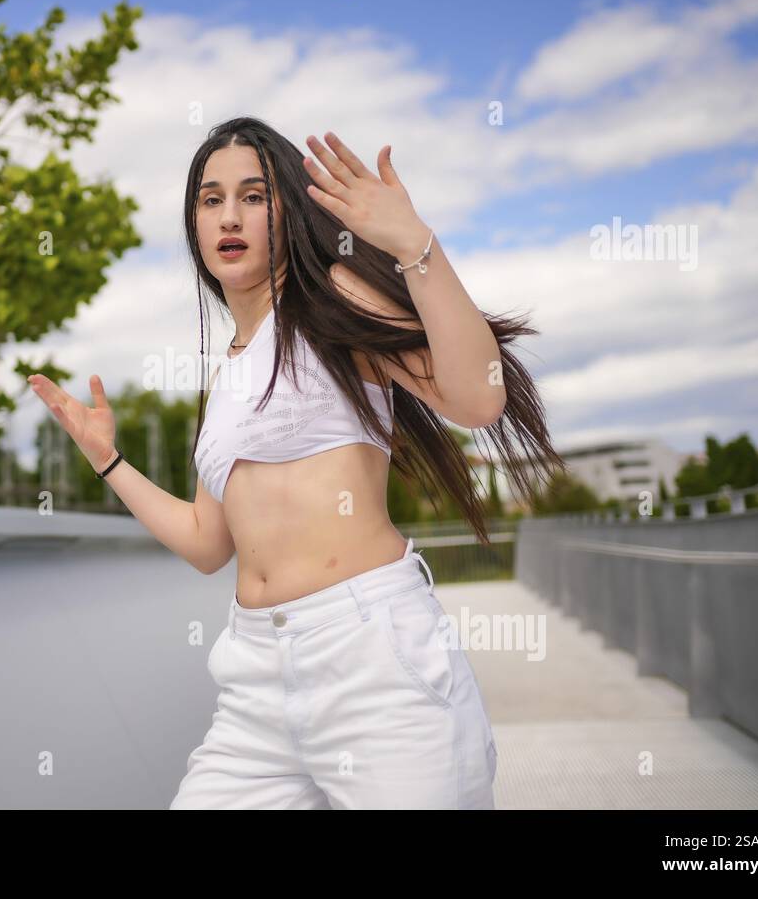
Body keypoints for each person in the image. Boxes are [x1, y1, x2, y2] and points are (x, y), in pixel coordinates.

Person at [28, 116, 565, 808]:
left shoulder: (333, 301)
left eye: (254, 196)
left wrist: (414, 244)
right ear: (194, 223)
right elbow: (207, 543)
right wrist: (108, 462)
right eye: (210, 198)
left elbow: (478, 398)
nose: (230, 214)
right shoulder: (225, 378)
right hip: (253, 679)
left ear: (290, 212)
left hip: (371, 660)